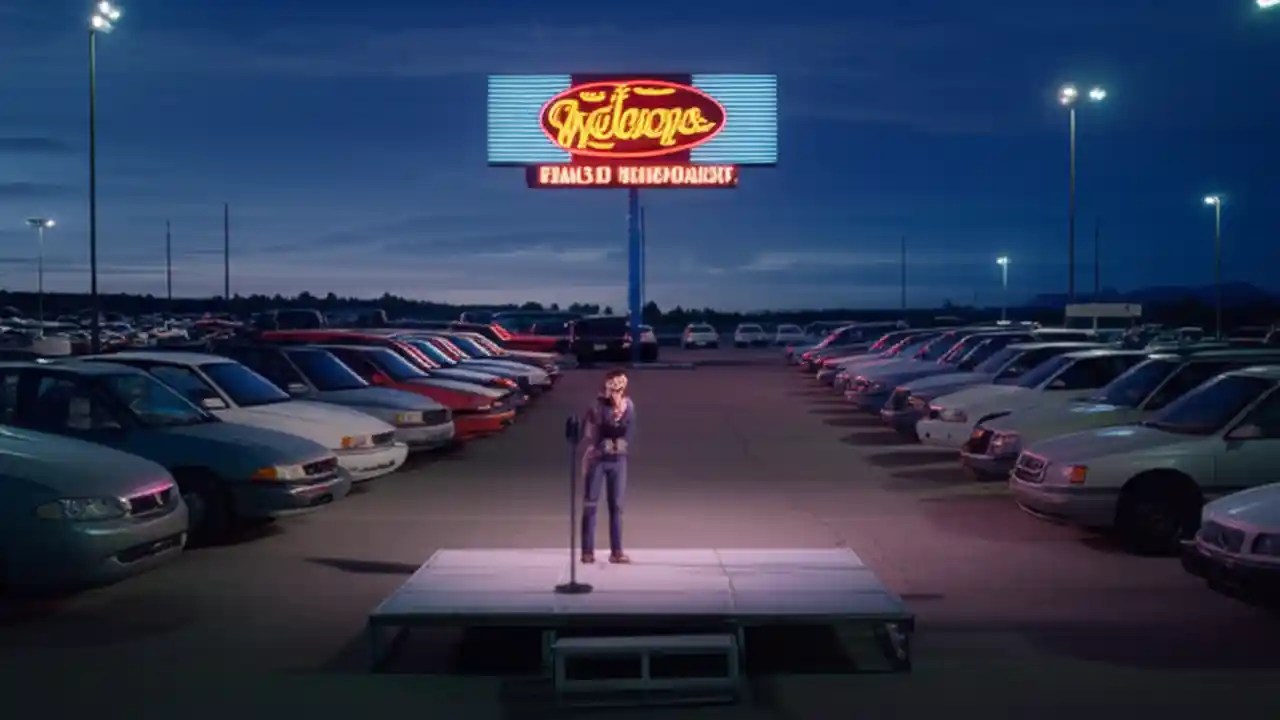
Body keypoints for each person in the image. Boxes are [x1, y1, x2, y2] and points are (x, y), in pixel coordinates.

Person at [580, 368, 635, 564]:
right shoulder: (597, 406)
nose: (616, 390)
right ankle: (587, 551)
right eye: (613, 385)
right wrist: (604, 443)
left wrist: (618, 444)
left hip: (618, 460)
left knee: (617, 506)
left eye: (620, 386)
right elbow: (594, 433)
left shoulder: (628, 406)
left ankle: (617, 551)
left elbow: (629, 432)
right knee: (591, 505)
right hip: (597, 460)